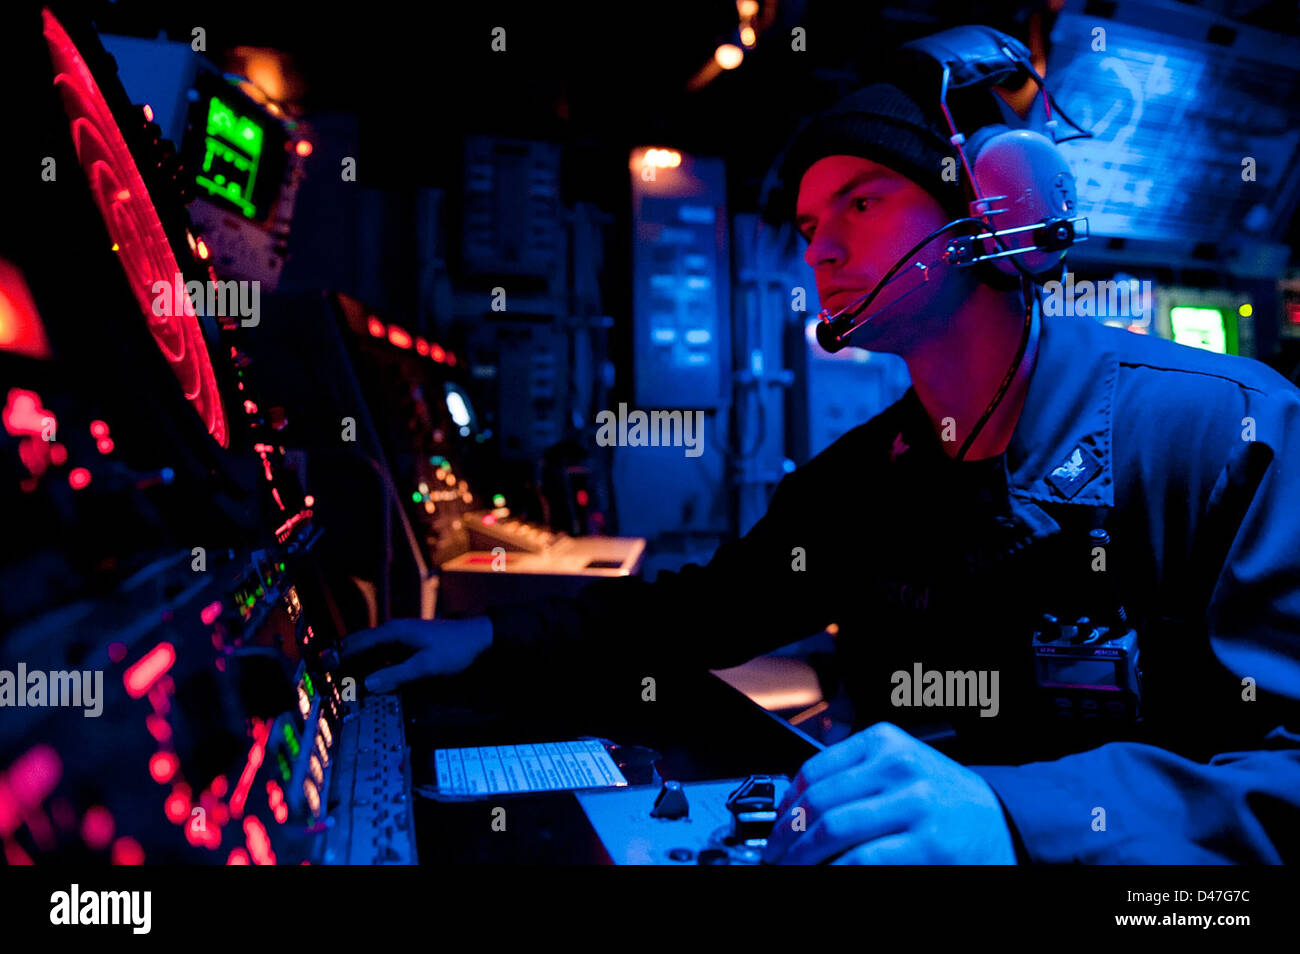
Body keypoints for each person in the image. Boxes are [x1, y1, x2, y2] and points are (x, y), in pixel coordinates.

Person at [344, 73, 1300, 865]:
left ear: (992, 209)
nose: (824, 251)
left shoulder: (1223, 433)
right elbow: (708, 610)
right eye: (807, 228)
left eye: (862, 202)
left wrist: (1013, 817)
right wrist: (490, 643)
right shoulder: (870, 476)